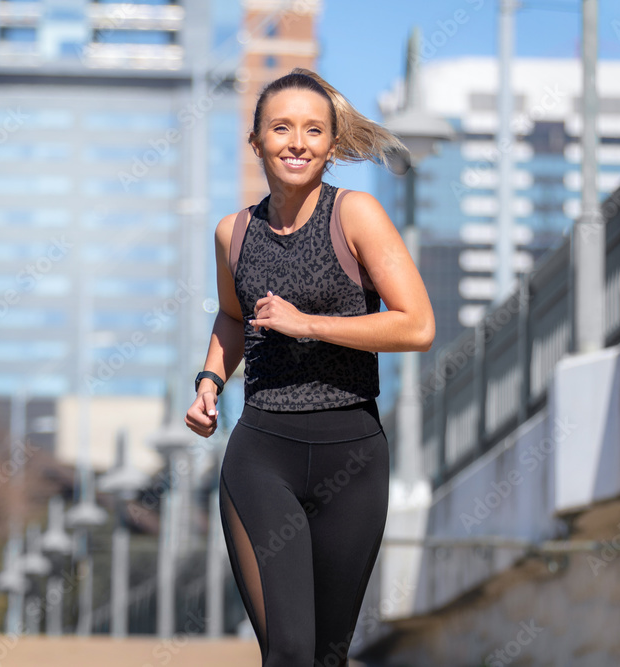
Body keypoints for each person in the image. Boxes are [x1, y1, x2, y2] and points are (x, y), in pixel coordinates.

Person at [184, 68, 434, 667]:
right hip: (262, 452)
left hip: (353, 451)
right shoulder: (233, 234)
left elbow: (417, 325)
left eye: (313, 130)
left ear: (329, 143)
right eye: (282, 128)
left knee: (328, 654)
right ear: (257, 142)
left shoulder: (356, 215)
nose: (297, 141)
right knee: (290, 652)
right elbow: (230, 315)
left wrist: (309, 323)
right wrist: (210, 381)